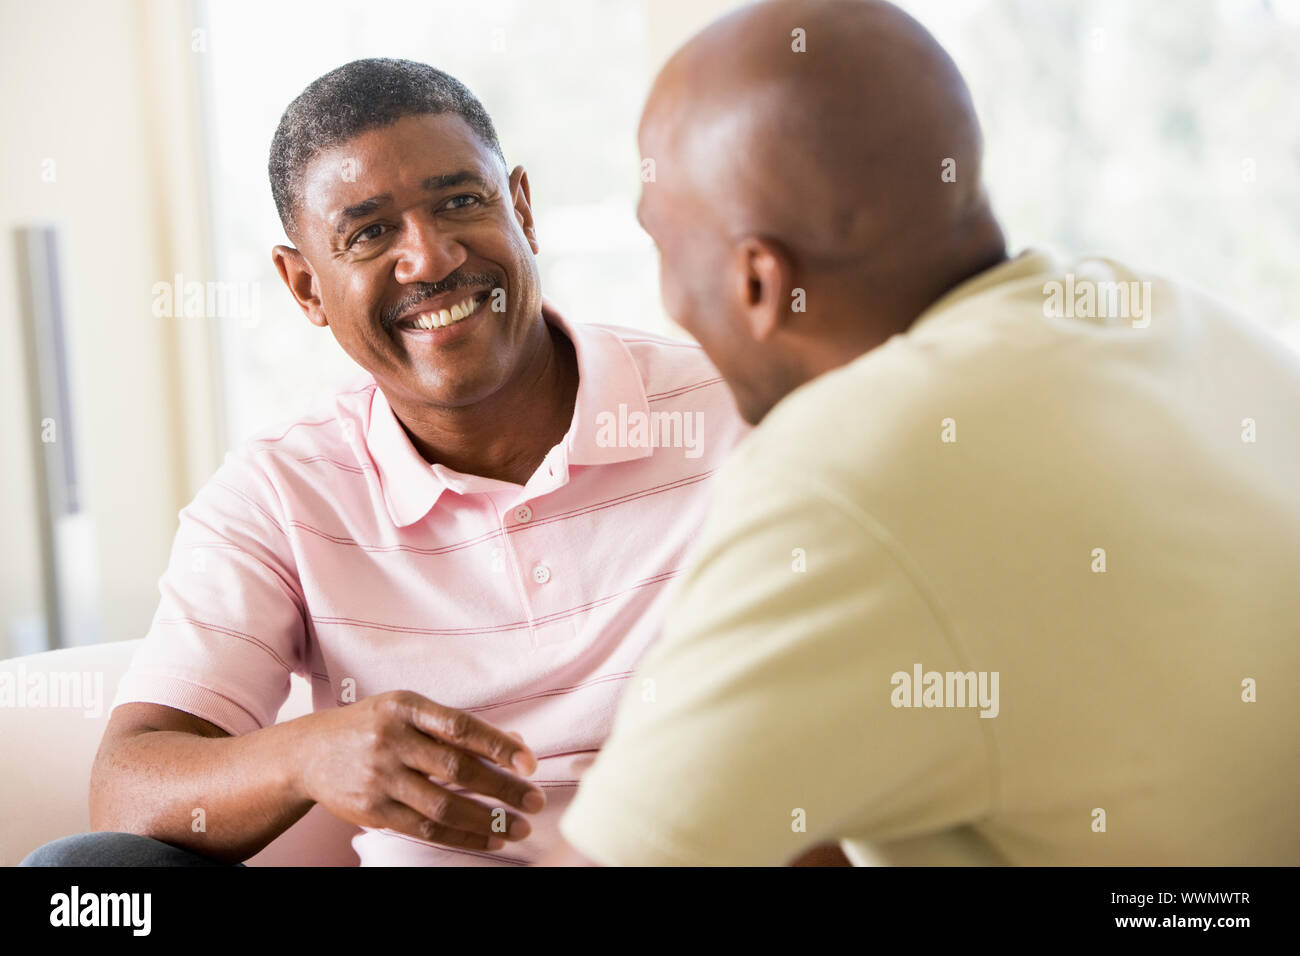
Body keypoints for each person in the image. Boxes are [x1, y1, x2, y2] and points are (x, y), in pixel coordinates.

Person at [544, 0, 1300, 865]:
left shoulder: (839, 473)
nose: (665, 299)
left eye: (662, 246)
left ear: (760, 282)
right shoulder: (1170, 316)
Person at [22, 58, 749, 867]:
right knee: (81, 880)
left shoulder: (734, 410)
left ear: (524, 211)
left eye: (461, 203)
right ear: (305, 287)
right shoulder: (279, 493)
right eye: (369, 233)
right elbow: (127, 786)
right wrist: (308, 755)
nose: (431, 259)